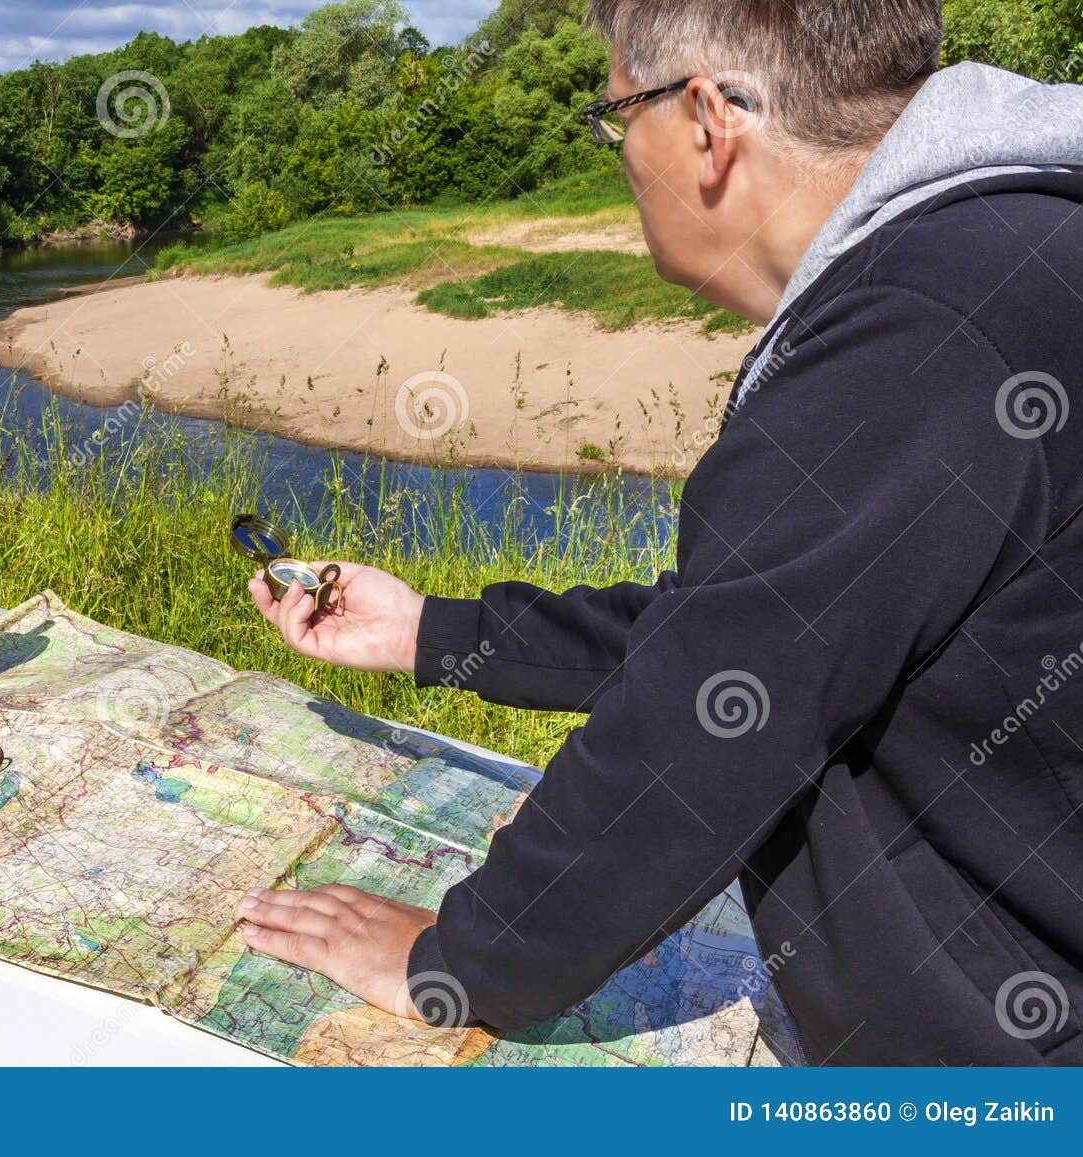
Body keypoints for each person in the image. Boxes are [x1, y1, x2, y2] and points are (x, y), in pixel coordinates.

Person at [238, 0, 1083, 1066]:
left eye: (613, 115)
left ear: (704, 120)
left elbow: (716, 716)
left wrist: (463, 959)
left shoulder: (919, 330)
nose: (616, 154)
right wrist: (435, 632)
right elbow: (758, 622)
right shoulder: (1002, 257)